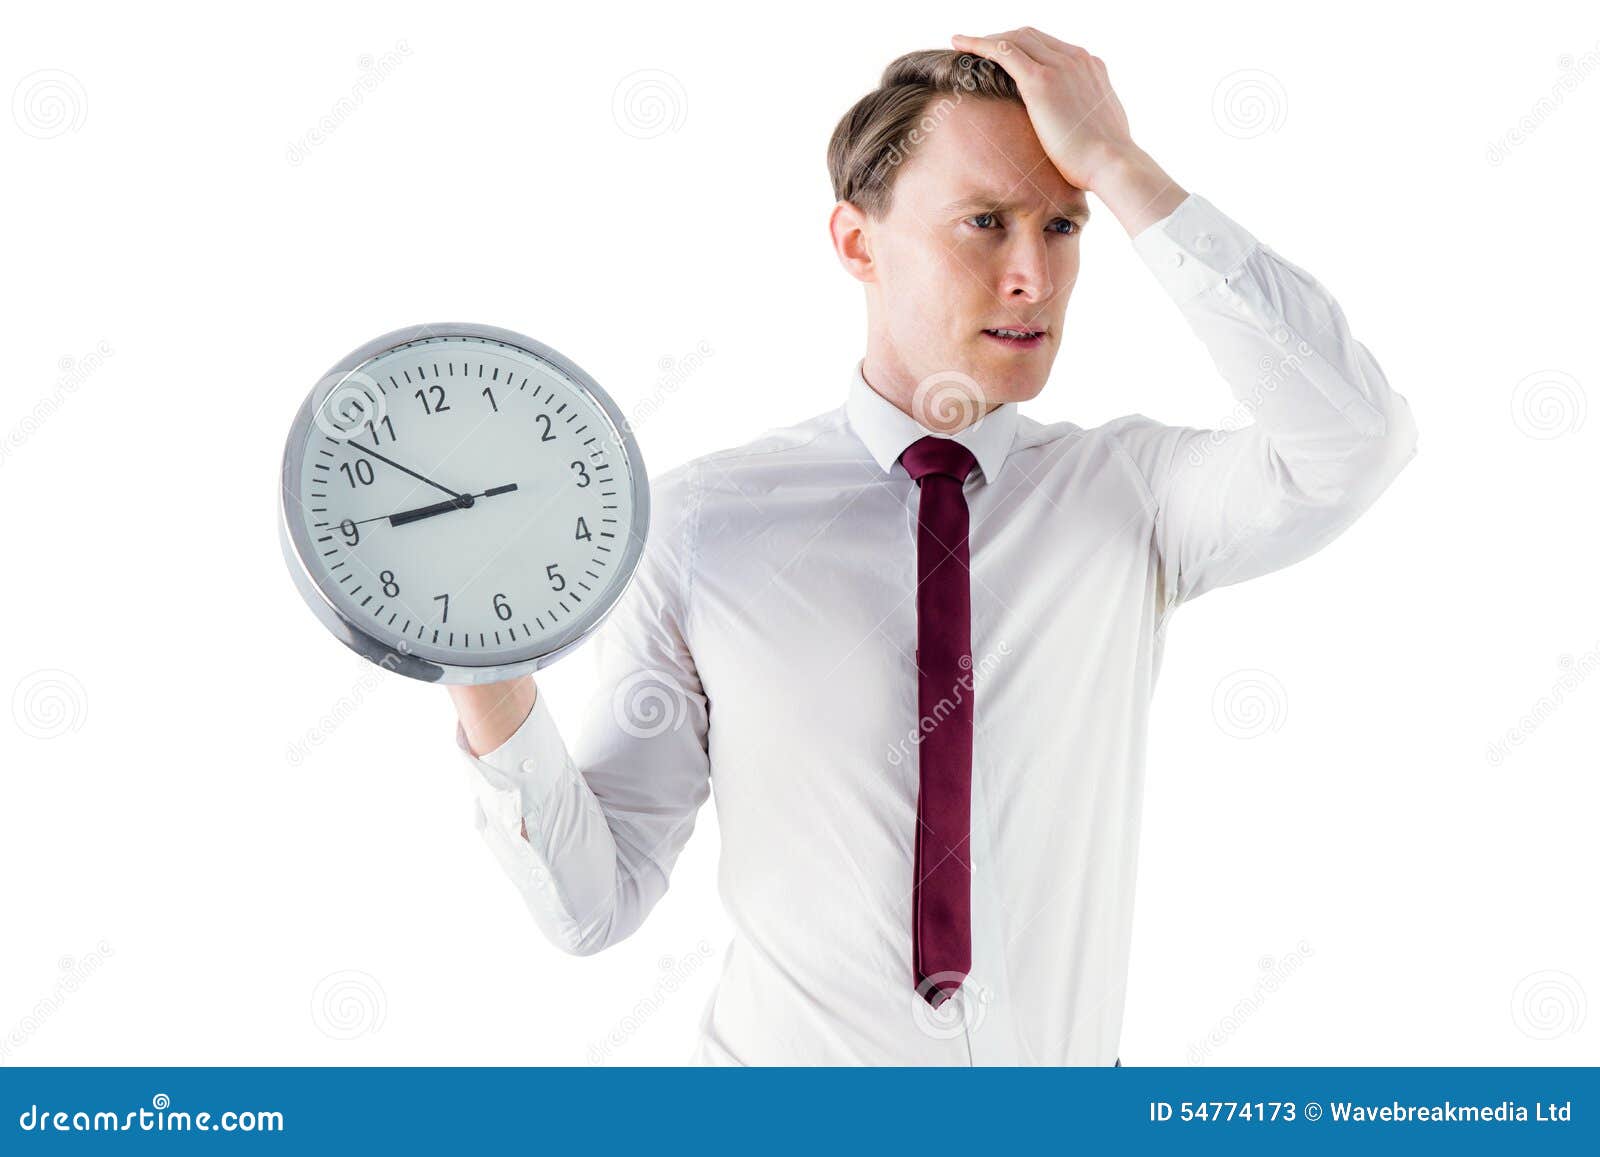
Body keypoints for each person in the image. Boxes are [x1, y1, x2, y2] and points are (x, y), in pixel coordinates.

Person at [448, 28, 1418, 1065]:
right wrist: (477, 659)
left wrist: (1121, 166)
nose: (1032, 275)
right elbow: (594, 902)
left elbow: (1355, 442)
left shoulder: (1130, 497)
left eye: (1063, 223)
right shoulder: (700, 528)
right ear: (857, 243)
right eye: (984, 222)